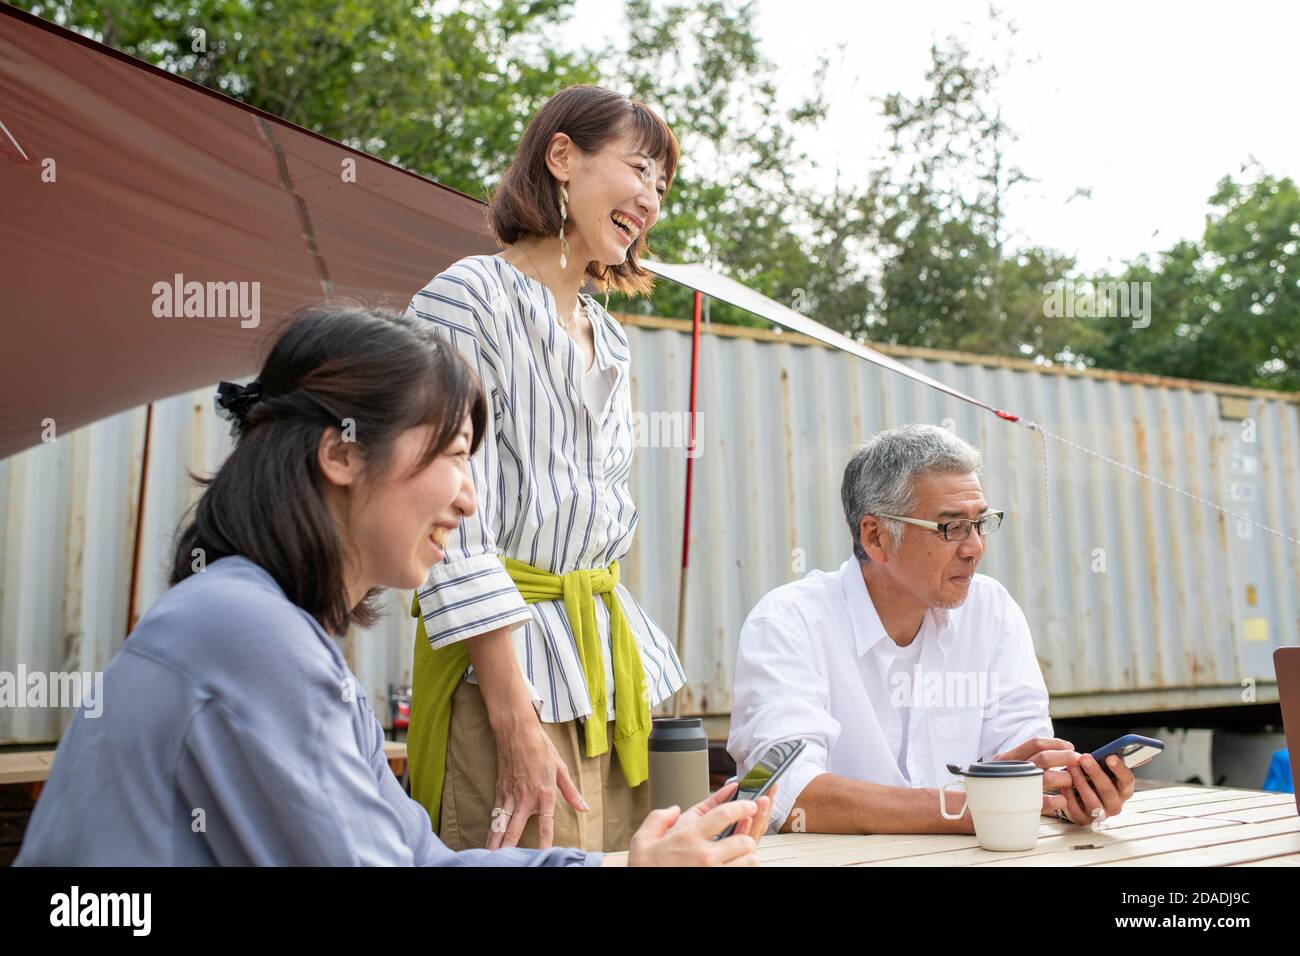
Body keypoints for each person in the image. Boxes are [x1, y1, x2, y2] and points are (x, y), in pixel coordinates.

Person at [15, 305, 771, 866]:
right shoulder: (246, 634)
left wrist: (625, 862)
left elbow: (417, 858)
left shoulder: (252, 620)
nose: (470, 498)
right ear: (341, 455)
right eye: (451, 452)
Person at [405, 85, 688, 852]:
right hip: (507, 679)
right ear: (562, 157)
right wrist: (513, 721)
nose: (651, 198)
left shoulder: (610, 338)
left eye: (662, 186)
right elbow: (450, 527)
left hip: (612, 679)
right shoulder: (469, 300)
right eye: (638, 169)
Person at [727, 423, 1136, 835]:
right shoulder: (788, 621)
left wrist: (1070, 797)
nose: (974, 548)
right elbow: (780, 790)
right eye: (951, 527)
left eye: (981, 523)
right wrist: (974, 809)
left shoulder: (991, 611)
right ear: (876, 537)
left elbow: (1028, 760)